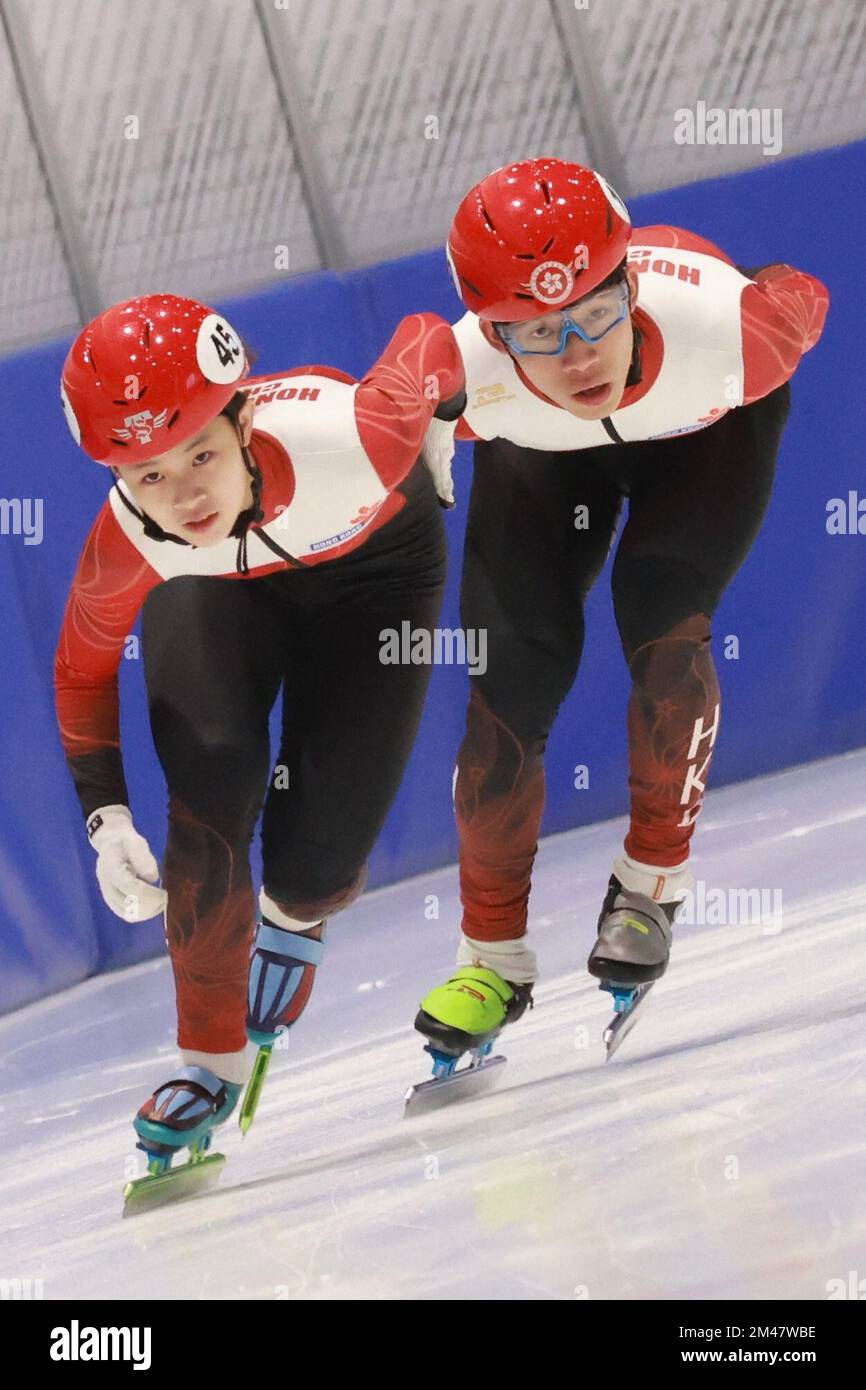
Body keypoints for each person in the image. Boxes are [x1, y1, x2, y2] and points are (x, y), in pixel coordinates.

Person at [415, 157, 828, 1061]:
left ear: (631, 277)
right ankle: (490, 957)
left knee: (664, 624)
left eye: (597, 313)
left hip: (703, 437)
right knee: (507, 694)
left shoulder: (737, 336)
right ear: (491, 333)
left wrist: (771, 298)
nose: (577, 355)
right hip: (543, 457)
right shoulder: (459, 380)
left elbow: (801, 293)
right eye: (535, 332)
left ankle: (649, 887)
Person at [55, 294, 464, 1170]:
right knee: (210, 778)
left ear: (243, 420)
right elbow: (80, 673)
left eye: (201, 453)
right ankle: (207, 1062)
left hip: (375, 580)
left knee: (314, 872)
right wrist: (108, 822)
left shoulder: (353, 437)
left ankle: (296, 912)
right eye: (148, 476)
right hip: (214, 591)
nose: (186, 496)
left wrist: (447, 410)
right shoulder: (135, 537)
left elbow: (427, 333)